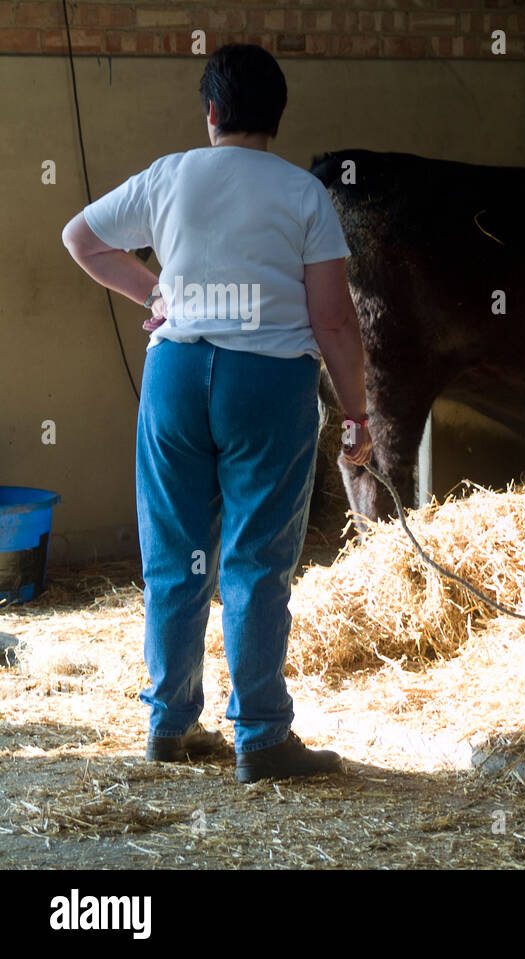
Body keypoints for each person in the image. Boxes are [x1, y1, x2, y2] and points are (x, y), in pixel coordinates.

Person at [61, 44, 371, 783]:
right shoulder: (304, 195)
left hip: (176, 374)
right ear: (275, 116)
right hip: (268, 386)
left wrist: (157, 297)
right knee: (257, 559)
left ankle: (169, 724)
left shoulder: (170, 175)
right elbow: (333, 320)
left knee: (175, 555)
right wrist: (357, 414)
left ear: (211, 112)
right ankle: (261, 736)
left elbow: (81, 238)